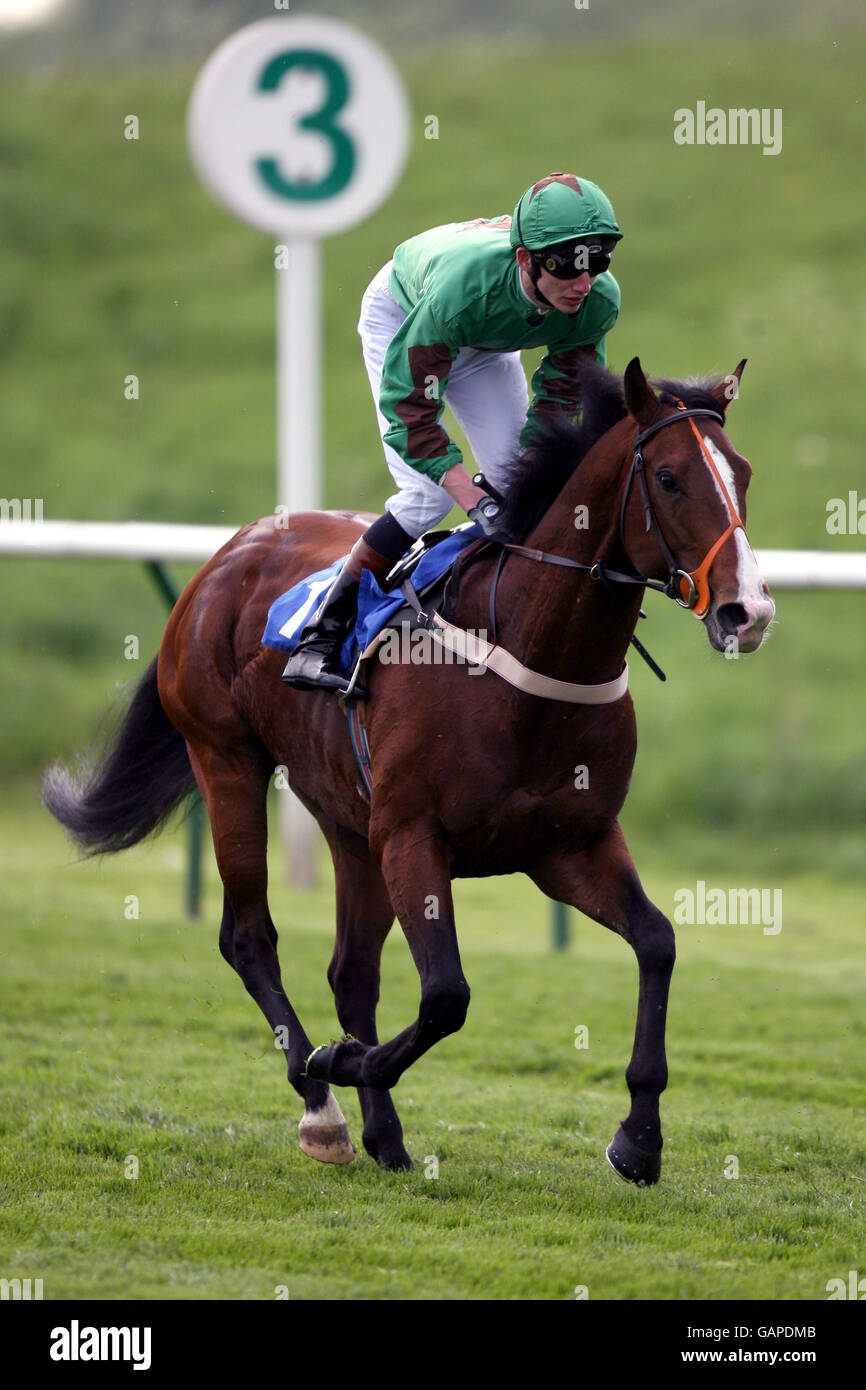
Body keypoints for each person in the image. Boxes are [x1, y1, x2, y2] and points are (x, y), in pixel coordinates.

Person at [282, 172, 622, 693]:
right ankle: (321, 635)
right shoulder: (461, 294)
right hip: (410, 315)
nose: (583, 283)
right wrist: (468, 492)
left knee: (520, 485)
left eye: (597, 262)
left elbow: (559, 397)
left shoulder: (597, 301)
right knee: (425, 497)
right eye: (567, 265)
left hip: (483, 331)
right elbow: (410, 408)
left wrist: (518, 482)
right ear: (527, 260)